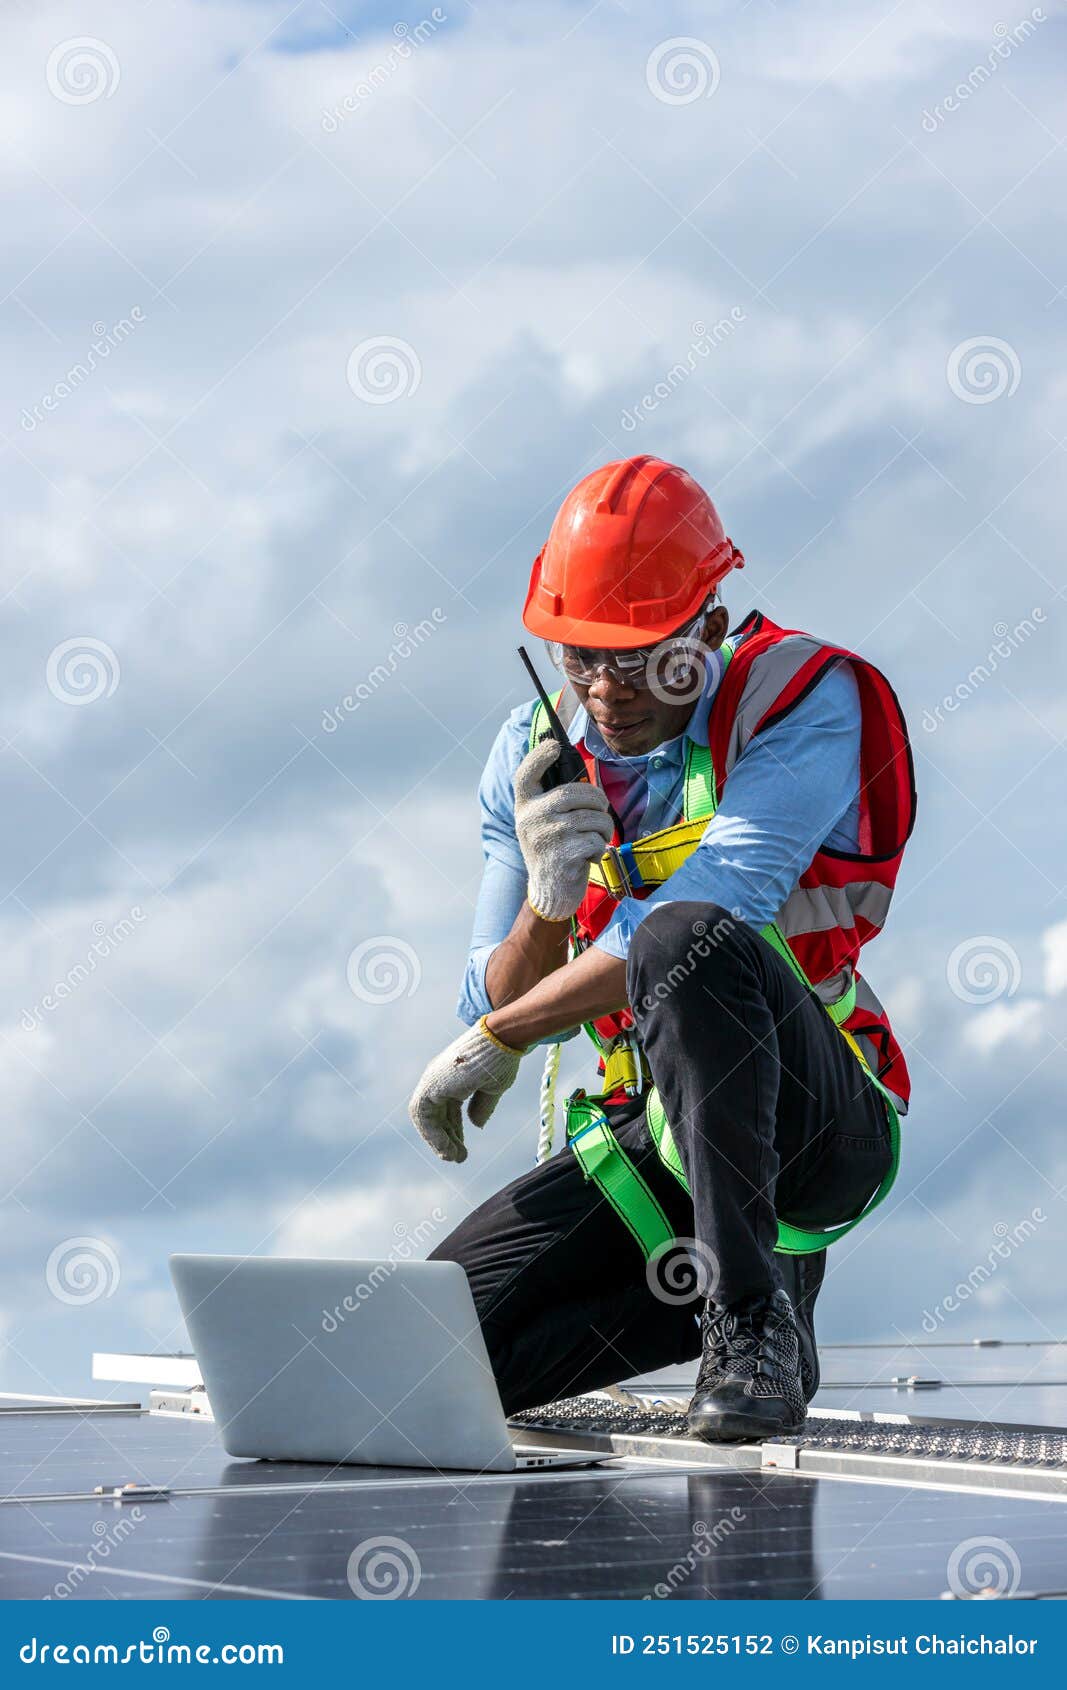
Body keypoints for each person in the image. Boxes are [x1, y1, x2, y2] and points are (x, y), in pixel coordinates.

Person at [408, 454, 915, 1442]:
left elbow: (716, 899)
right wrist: (548, 901)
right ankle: (722, 1293)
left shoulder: (800, 699)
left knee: (684, 933)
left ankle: (749, 1323)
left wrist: (506, 1033)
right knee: (417, 1356)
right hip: (659, 1127)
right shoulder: (533, 748)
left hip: (817, 1122)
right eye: (579, 657)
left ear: (708, 630)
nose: (604, 688)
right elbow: (490, 996)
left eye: (638, 656)